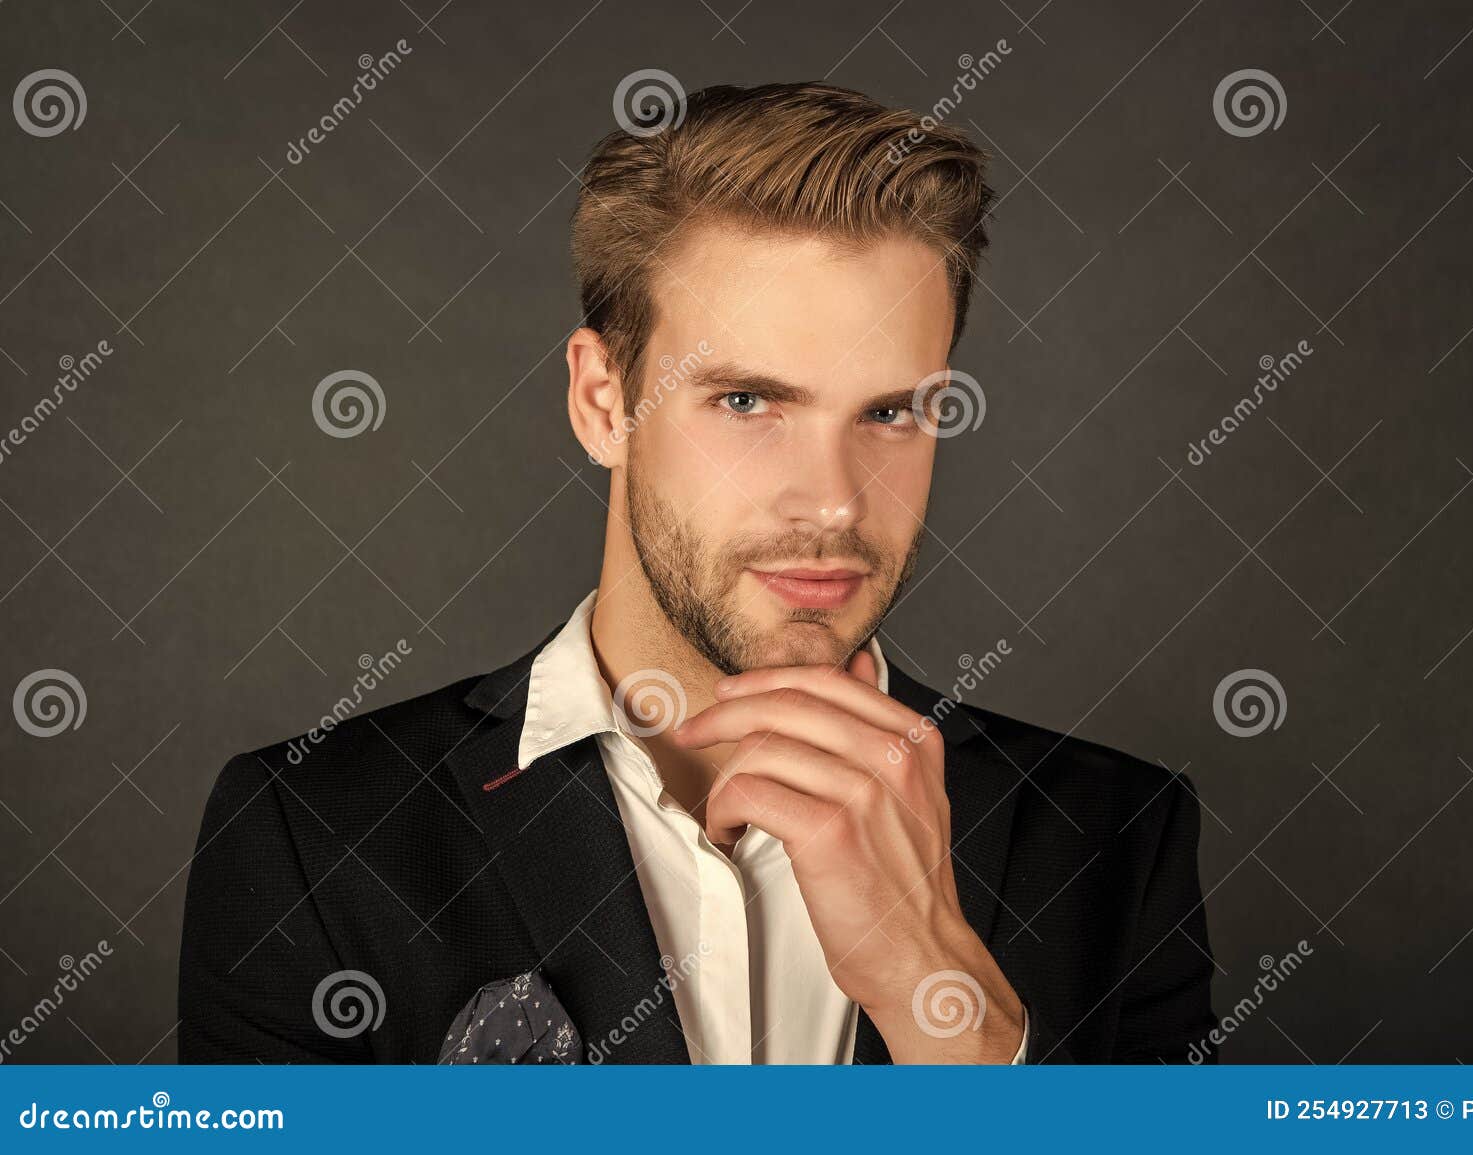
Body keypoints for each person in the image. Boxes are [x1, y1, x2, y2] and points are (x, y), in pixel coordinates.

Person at [178, 80, 1217, 1064]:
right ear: (600, 402)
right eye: (747, 403)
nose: (834, 503)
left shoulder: (1111, 836)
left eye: (890, 412)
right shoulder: (316, 834)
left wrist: (939, 994)